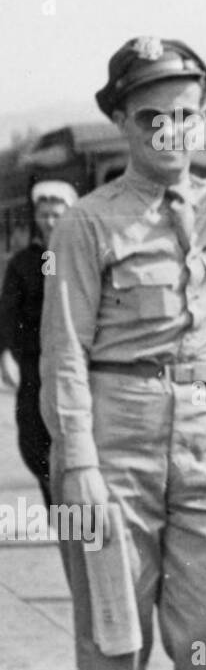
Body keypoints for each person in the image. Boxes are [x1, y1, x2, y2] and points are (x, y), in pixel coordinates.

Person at [41, 36, 206, 670]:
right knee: (113, 635)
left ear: (204, 118)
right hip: (113, 439)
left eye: (185, 115)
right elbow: (64, 349)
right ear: (120, 121)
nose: (170, 130)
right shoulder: (85, 224)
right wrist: (79, 465)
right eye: (150, 117)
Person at [1, 180, 77, 506]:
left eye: (57, 214)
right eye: (44, 214)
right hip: (35, 366)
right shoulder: (23, 262)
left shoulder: (83, 256)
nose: (49, 221)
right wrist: (6, 353)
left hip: (77, 364)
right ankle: (60, 511)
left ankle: (74, 519)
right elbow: (8, 312)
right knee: (35, 443)